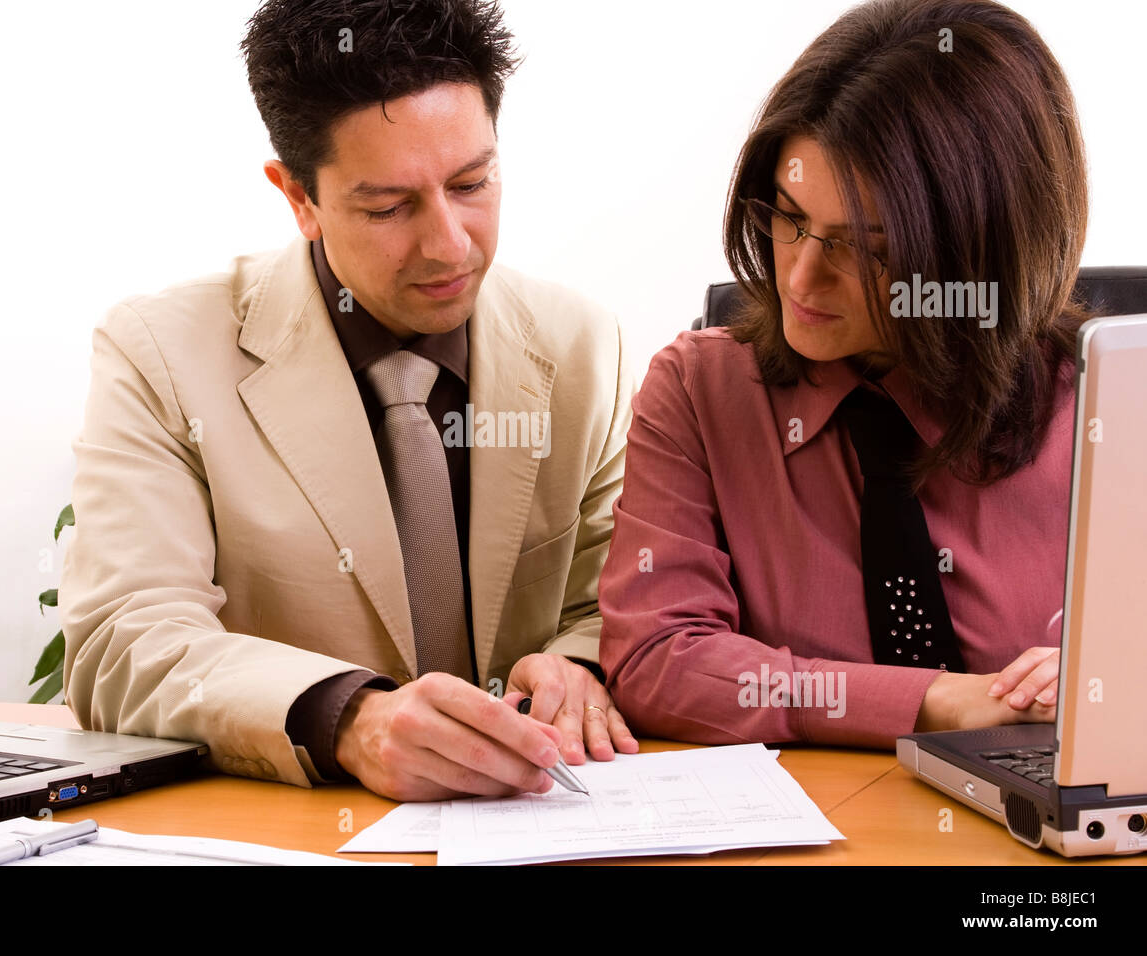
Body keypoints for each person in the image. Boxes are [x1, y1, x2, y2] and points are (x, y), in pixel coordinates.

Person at [60, 0, 638, 801]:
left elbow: (629, 593)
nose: (449, 244)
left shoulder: (582, 345)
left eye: (472, 183)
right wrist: (350, 720)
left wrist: (578, 665)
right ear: (298, 197)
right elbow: (124, 643)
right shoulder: (161, 353)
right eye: (388, 208)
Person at [599, 0, 1090, 749]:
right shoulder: (698, 393)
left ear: (977, 253)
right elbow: (657, 660)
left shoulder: (1106, 407)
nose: (800, 276)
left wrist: (1112, 680)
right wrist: (934, 702)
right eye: (790, 216)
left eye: (864, 248)